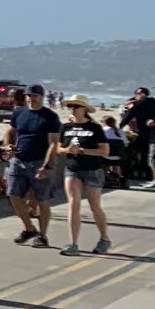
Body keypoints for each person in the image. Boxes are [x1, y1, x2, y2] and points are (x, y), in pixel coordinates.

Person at [51, 95, 112, 255]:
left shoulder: (94, 128)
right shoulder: (65, 127)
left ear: (84, 109)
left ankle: (104, 238)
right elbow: (58, 148)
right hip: (72, 169)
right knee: (73, 204)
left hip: (93, 170)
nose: (72, 109)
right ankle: (73, 243)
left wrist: (82, 151)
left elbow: (104, 150)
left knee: (94, 206)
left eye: (76, 106)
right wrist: (68, 150)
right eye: (70, 106)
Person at [3, 85, 62, 245]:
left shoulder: (50, 117)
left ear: (42, 97)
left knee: (42, 201)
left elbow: (53, 144)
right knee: (13, 195)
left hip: (39, 162)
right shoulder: (19, 112)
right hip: (18, 160)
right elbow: (10, 131)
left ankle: (42, 236)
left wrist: (46, 166)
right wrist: (7, 146)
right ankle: (29, 228)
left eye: (35, 96)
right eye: (29, 95)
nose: (31, 98)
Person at [123, 86, 155, 190]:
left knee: (136, 154)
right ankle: (147, 174)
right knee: (147, 155)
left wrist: (120, 127)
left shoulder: (136, 103)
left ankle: (137, 174)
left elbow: (128, 116)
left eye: (137, 94)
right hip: (153, 133)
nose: (136, 95)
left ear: (141, 94)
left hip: (141, 132)